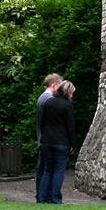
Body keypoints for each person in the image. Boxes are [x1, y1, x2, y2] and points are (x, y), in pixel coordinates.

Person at [37, 80, 75, 204]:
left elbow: (42, 122)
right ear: (68, 92)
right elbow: (70, 127)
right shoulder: (67, 105)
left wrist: (43, 136)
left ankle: (42, 197)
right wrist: (72, 144)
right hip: (61, 141)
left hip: (47, 141)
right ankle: (55, 198)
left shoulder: (48, 102)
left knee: (47, 170)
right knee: (59, 171)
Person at [35, 73, 63, 203]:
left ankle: (42, 196)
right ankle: (44, 196)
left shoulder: (42, 98)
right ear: (54, 85)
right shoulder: (47, 100)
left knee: (44, 168)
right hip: (47, 139)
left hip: (43, 139)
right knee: (45, 169)